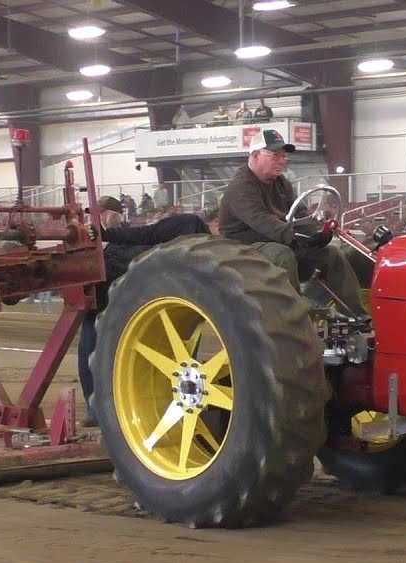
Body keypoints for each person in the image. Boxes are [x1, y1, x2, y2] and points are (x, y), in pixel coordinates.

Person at [78, 195, 211, 426]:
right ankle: (95, 410)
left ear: (115, 215)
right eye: (94, 214)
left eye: (100, 213)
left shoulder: (133, 239)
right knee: (91, 355)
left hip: (118, 309)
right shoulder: (103, 240)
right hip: (98, 307)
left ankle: (113, 410)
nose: (95, 218)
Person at [217, 129, 366, 315]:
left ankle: (356, 316)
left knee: (330, 254)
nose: (282, 160)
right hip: (243, 250)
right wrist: (295, 236)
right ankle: (296, 318)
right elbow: (263, 221)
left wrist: (317, 233)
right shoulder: (240, 187)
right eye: (275, 155)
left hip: (276, 240)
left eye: (283, 155)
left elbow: (302, 214)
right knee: (282, 254)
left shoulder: (281, 184)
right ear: (255, 156)